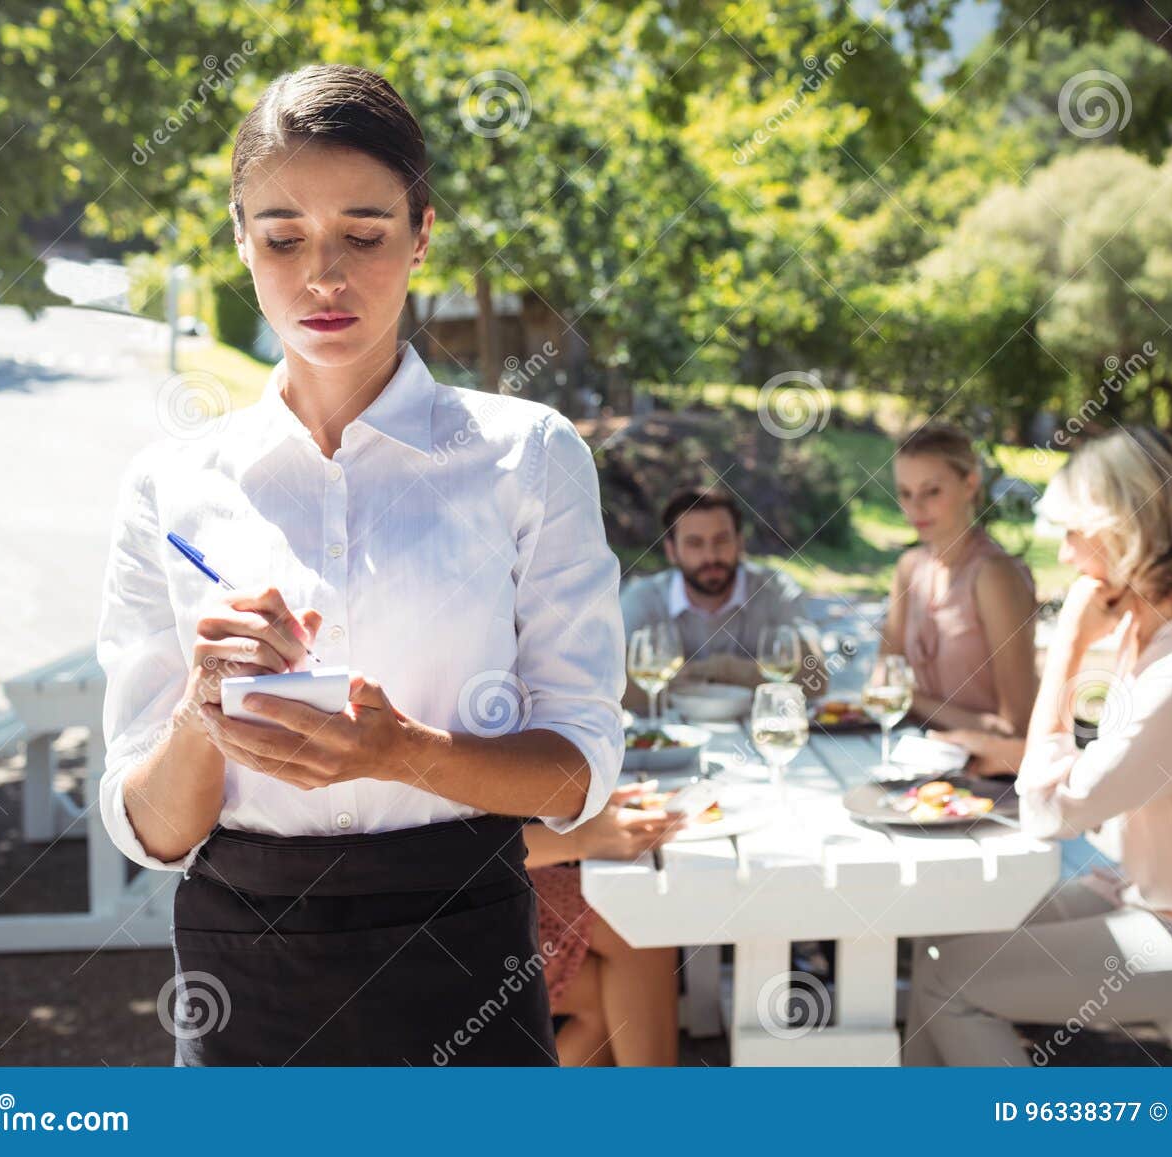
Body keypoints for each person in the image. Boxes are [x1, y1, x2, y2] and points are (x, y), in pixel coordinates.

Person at [95, 64, 624, 1066]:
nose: (322, 278)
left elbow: (578, 773)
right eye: (283, 236)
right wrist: (202, 708)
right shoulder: (170, 487)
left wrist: (400, 753)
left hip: (461, 954)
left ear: (421, 234)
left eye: (365, 234)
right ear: (241, 240)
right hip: (240, 974)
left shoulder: (530, 456)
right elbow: (152, 830)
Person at [903, 426, 1172, 1066]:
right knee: (939, 943)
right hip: (1146, 893)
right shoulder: (1156, 633)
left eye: (1074, 534)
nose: (1067, 556)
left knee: (952, 983)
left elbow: (1050, 813)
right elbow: (1092, 772)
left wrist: (1069, 643)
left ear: (1128, 532)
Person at [876, 421, 1038, 774]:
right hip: (919, 765)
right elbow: (880, 683)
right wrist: (904, 700)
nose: (915, 507)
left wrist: (912, 700)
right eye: (905, 493)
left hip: (989, 780)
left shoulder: (993, 576)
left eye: (931, 491)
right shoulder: (909, 569)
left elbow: (1016, 728)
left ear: (970, 484)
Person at [619, 485, 828, 710]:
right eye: (694, 543)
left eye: (721, 540)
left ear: (739, 542)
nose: (710, 555)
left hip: (759, 734)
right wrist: (754, 674)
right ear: (671, 550)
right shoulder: (642, 598)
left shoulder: (776, 590)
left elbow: (815, 678)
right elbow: (612, 690)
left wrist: (722, 670)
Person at [523, 784, 685, 1066]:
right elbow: (444, 850)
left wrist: (576, 804)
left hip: (475, 884)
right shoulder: (423, 744)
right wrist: (580, 839)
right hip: (441, 916)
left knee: (615, 996)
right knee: (637, 922)